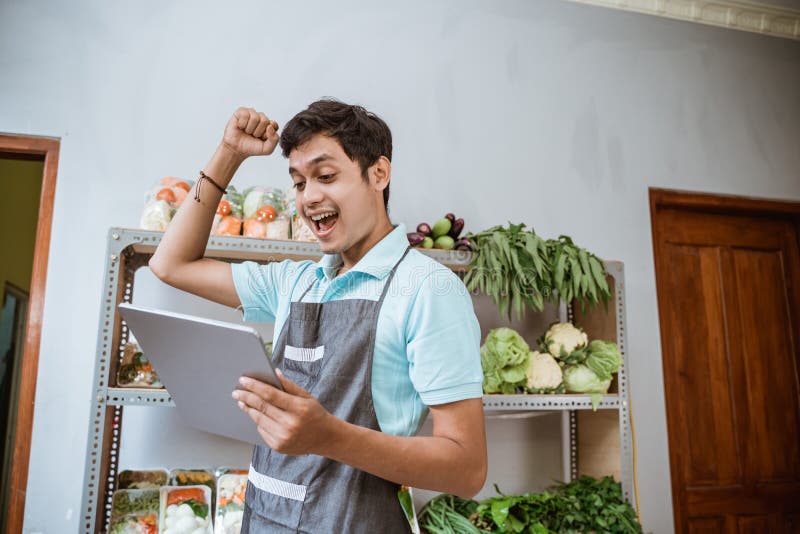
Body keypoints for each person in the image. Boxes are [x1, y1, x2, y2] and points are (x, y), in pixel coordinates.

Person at [149, 100, 487, 533]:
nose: (308, 197)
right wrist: (228, 153)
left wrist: (329, 436)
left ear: (378, 174)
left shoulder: (428, 290)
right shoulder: (297, 282)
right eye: (298, 181)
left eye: (325, 176)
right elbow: (170, 264)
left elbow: (467, 469)